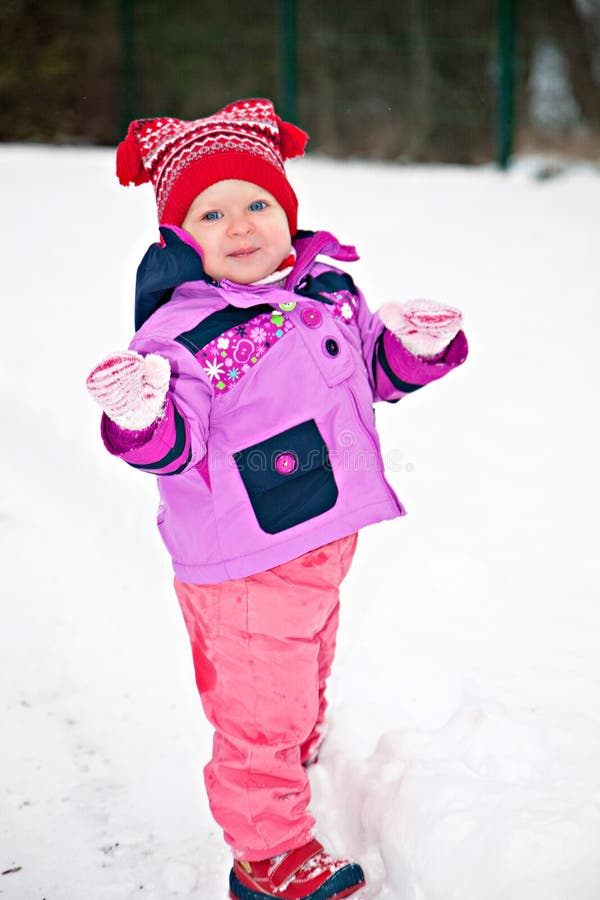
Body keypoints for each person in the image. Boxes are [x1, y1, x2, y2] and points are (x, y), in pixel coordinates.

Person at [86, 98, 468, 900]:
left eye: (258, 203)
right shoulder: (181, 334)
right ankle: (268, 856)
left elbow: (370, 374)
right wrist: (142, 414)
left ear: (287, 213)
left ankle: (295, 740)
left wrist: (412, 348)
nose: (241, 224)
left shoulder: (326, 290)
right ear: (183, 238)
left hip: (319, 535)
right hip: (243, 560)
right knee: (257, 711)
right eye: (212, 212)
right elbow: (176, 445)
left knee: (308, 661)